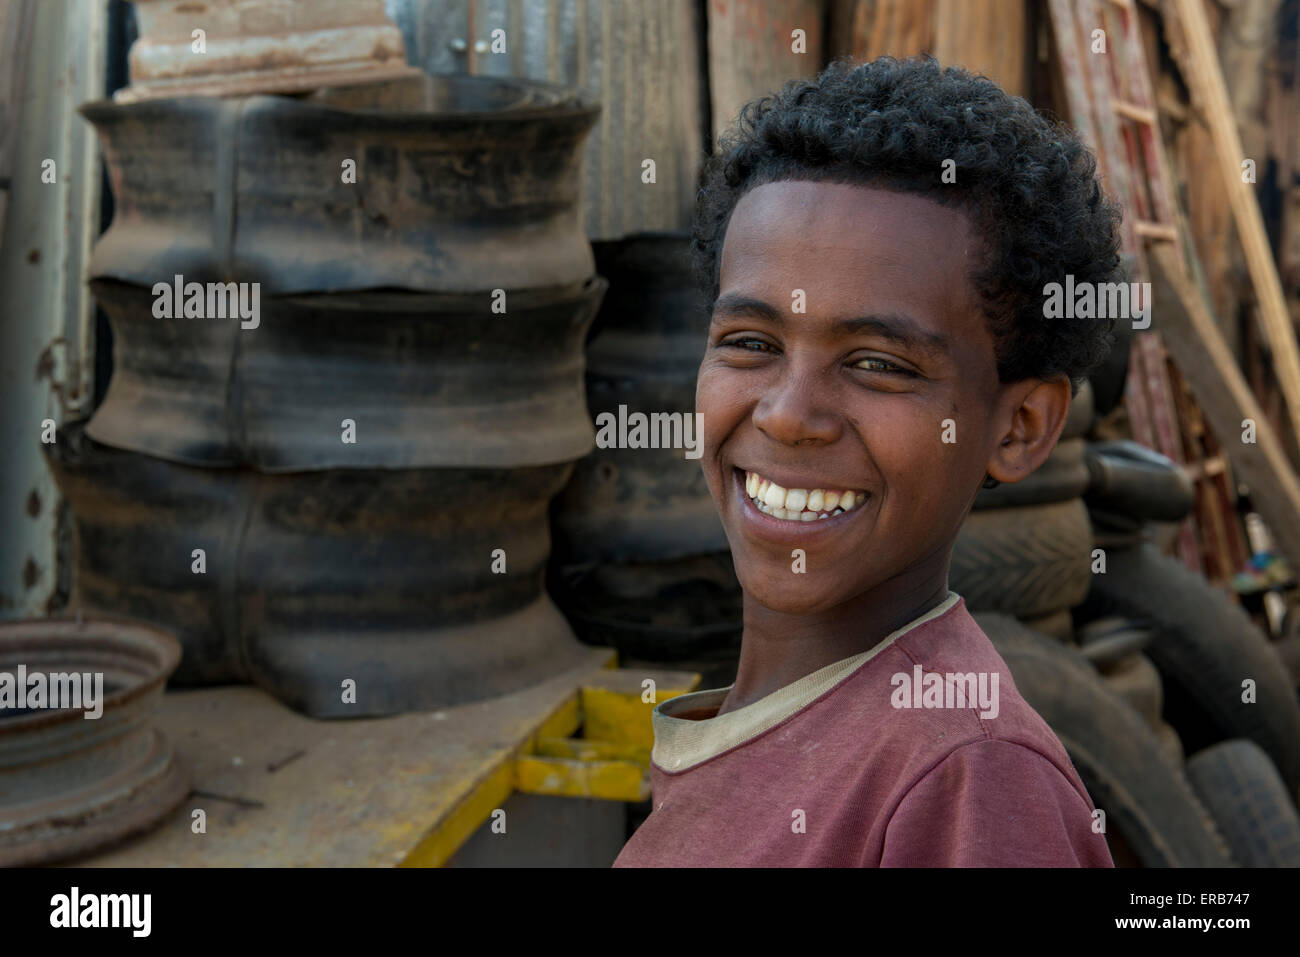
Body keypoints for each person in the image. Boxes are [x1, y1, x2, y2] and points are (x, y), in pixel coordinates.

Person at [613, 55, 1120, 867]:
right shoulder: (772, 724)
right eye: (750, 343)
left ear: (1020, 425)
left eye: (879, 363)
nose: (787, 414)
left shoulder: (965, 780)